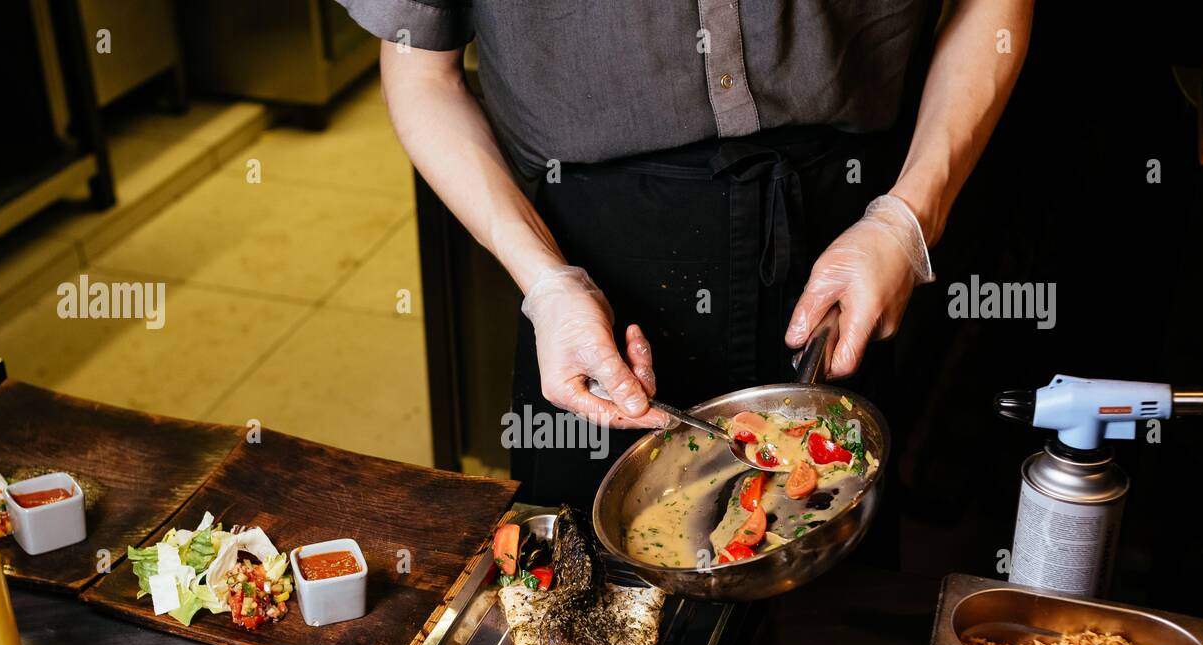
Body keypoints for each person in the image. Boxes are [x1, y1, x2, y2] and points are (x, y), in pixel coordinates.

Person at [341, 0, 1033, 507]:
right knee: (591, 642)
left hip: (852, 249)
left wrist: (909, 219)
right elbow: (421, 76)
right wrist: (546, 284)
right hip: (594, 281)